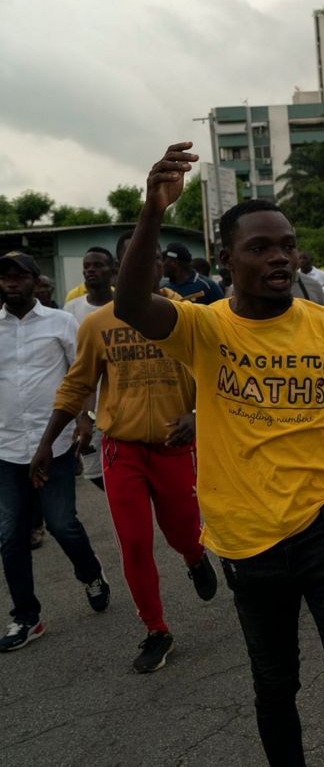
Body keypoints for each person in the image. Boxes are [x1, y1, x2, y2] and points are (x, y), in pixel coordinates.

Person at [114, 144, 324, 764]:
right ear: (226, 260)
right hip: (246, 537)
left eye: (289, 244)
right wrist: (151, 212)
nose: (281, 256)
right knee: (276, 687)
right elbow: (130, 307)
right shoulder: (203, 327)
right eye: (261, 247)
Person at [30, 241, 216, 673]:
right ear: (118, 270)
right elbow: (77, 385)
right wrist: (46, 443)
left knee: (184, 532)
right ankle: (156, 629)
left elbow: (218, 374)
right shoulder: (97, 325)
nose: (139, 268)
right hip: (123, 450)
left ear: (160, 266)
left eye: (148, 258)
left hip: (174, 448)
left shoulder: (189, 315)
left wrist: (196, 413)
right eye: (129, 261)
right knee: (134, 542)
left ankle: (194, 558)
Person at [0, 251, 111, 652]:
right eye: (5, 278)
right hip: (7, 448)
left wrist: (85, 419)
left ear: (34, 281)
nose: (11, 283)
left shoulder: (62, 323)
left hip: (56, 444)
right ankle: (25, 617)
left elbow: (79, 377)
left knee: (63, 524)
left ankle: (91, 572)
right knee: (10, 535)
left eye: (18, 276)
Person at [65, 246, 118, 492]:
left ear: (113, 270)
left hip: (122, 403)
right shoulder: (71, 310)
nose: (91, 271)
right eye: (87, 267)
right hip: (88, 406)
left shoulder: (126, 302)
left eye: (97, 265)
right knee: (93, 469)